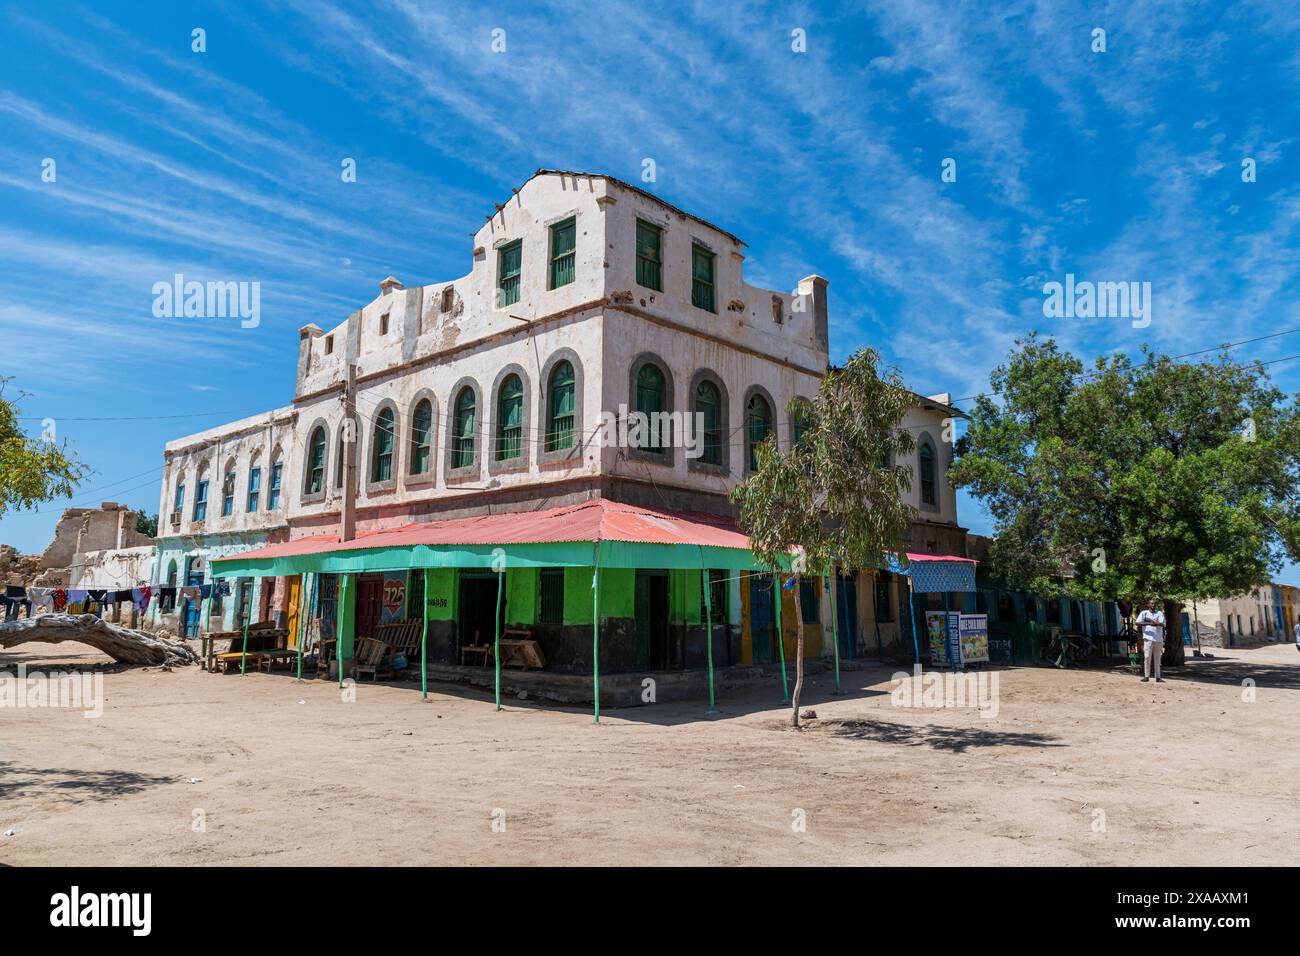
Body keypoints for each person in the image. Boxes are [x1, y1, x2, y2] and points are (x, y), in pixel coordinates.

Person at [1135, 598, 1166, 682]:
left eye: (1154, 604)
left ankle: (1158, 677)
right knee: (1147, 657)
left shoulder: (1159, 613)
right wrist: (1150, 623)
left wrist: (1152, 621)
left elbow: (1162, 624)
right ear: (1148, 605)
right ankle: (1146, 676)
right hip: (1148, 638)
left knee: (1157, 658)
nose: (1153, 605)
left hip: (1158, 639)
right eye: (1151, 603)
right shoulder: (1144, 613)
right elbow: (1137, 623)